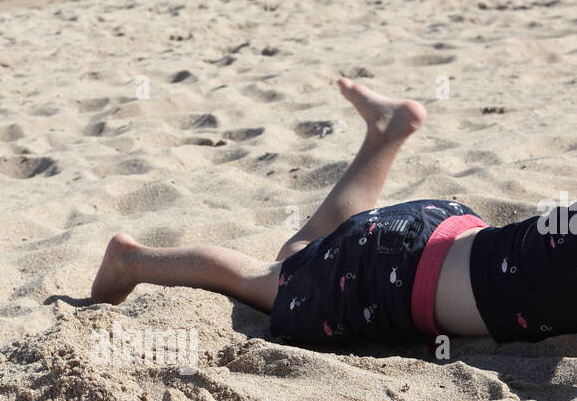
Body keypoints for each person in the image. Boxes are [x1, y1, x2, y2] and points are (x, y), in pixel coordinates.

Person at [90, 78, 574, 347]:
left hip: (442, 231)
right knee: (270, 279)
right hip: (396, 273)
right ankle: (131, 260)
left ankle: (385, 136)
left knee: (305, 257)